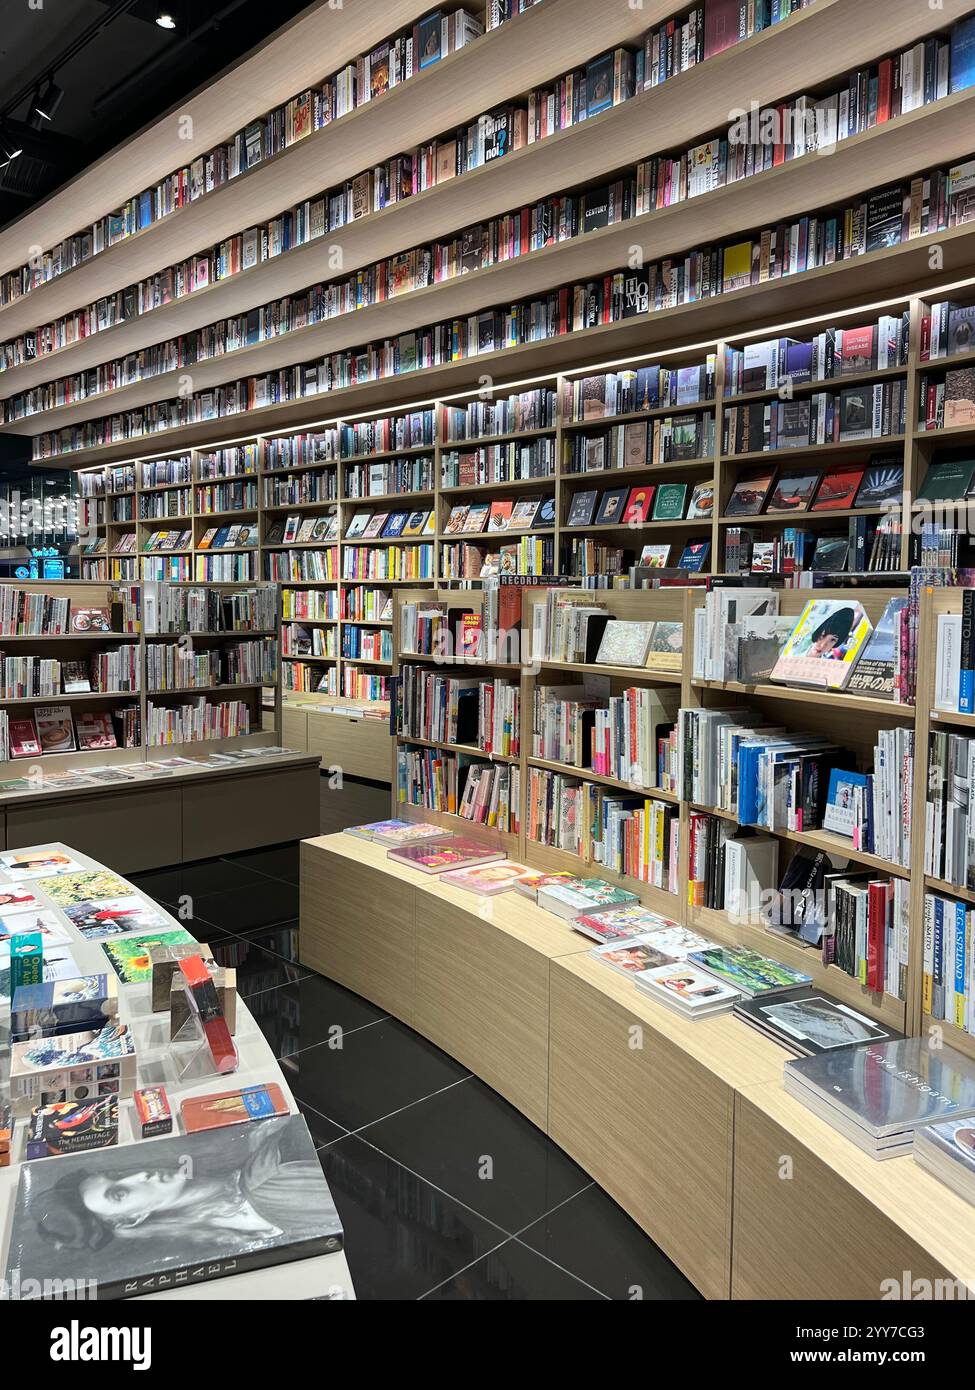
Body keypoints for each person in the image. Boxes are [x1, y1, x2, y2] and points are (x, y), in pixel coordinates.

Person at [31, 1120, 338, 1257]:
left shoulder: (248, 1178)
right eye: (119, 1193)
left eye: (115, 1174)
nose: (139, 1175)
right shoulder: (265, 1183)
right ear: (131, 1219)